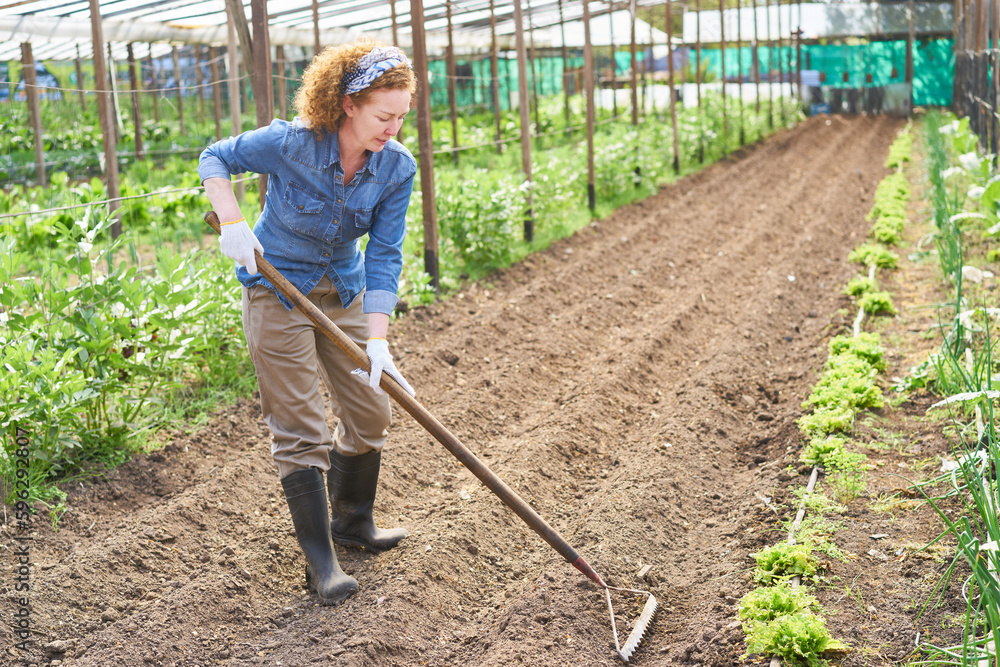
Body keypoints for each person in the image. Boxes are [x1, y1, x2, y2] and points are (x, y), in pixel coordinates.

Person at [198, 38, 417, 606]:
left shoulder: (397, 168)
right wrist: (232, 221)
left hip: (342, 291)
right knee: (302, 428)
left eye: (402, 116)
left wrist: (378, 340)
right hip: (277, 293)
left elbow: (385, 253)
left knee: (372, 410)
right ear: (349, 105)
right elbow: (214, 156)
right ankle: (321, 563)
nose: (393, 128)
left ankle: (353, 523)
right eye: (383, 116)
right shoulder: (291, 143)